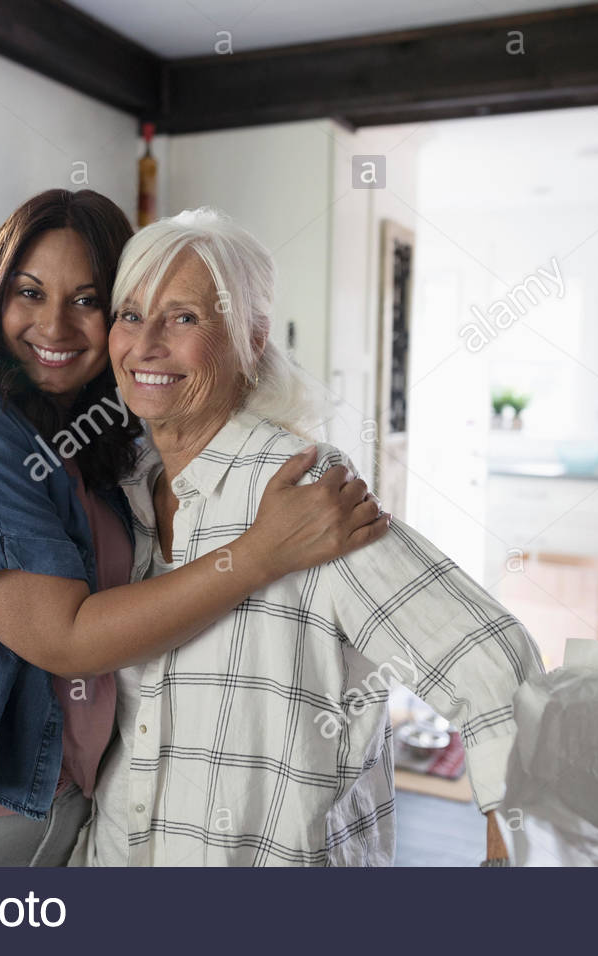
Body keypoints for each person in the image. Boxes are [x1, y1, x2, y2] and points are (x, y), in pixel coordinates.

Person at [0, 189, 387, 867]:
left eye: (87, 300)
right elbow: (64, 637)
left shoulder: (99, 436)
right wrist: (259, 555)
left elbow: (205, 392)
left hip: (57, 831)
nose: (55, 327)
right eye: (30, 292)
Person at [56, 207, 544, 866]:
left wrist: (509, 850)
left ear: (253, 339)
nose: (145, 345)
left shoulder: (303, 490)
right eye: (130, 314)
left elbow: (495, 664)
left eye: (186, 318)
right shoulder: (126, 487)